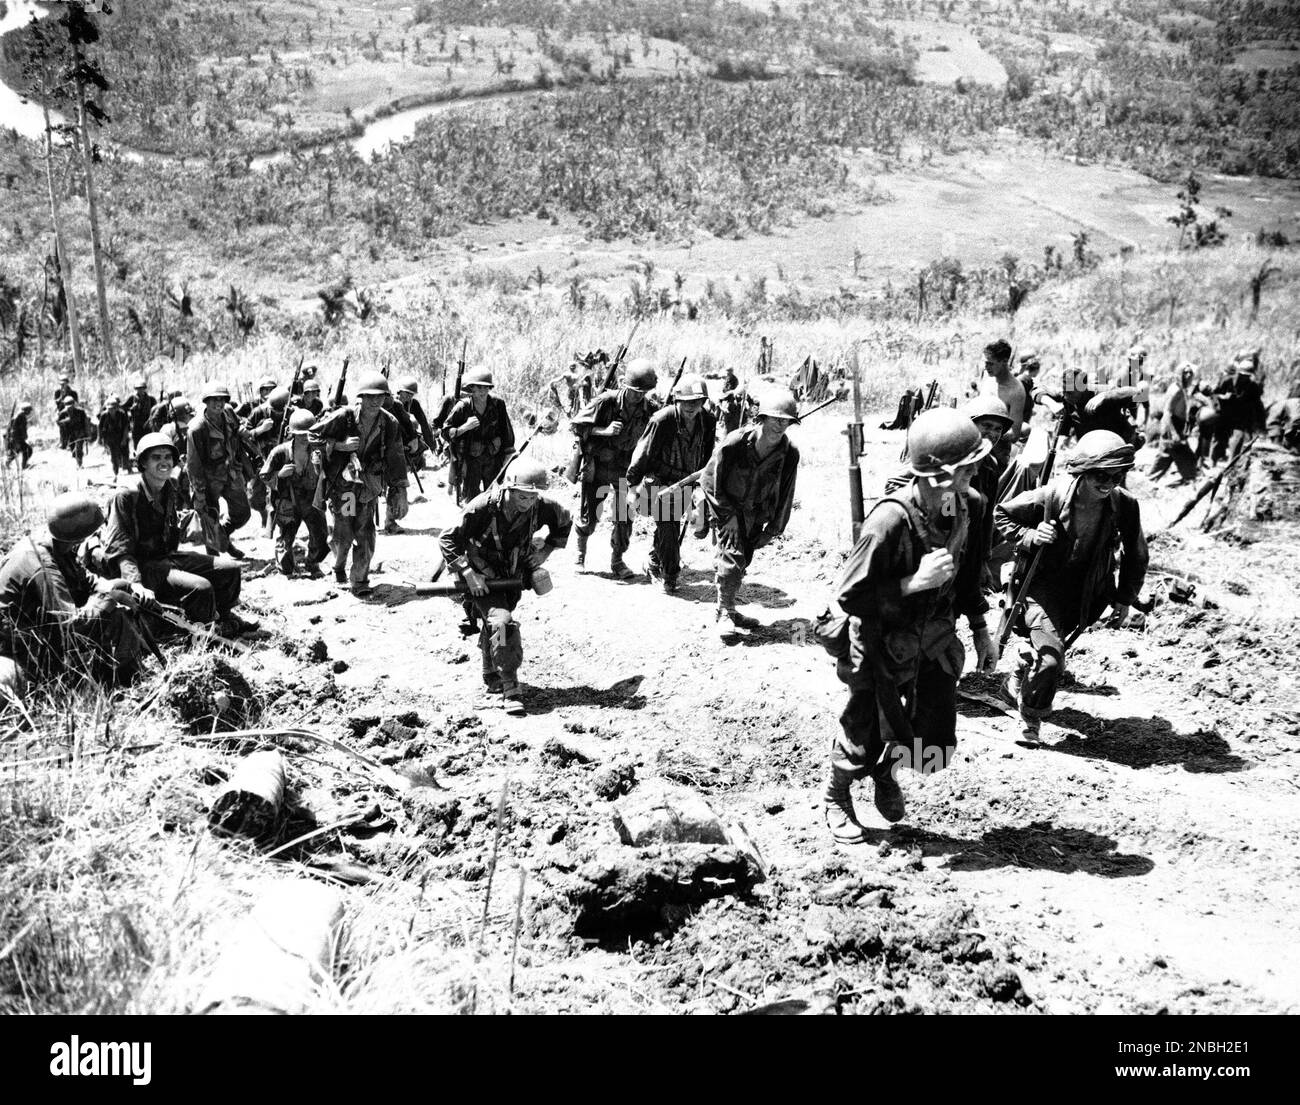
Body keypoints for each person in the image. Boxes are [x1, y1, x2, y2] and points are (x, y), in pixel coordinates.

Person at [822, 408, 997, 843]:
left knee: (934, 747)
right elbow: (849, 596)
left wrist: (980, 631)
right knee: (861, 736)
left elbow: (971, 574)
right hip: (880, 641)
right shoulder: (889, 521)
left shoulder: (969, 505)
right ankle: (836, 796)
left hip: (934, 639)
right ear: (937, 475)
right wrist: (909, 583)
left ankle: (887, 770)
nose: (974, 473)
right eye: (966, 468)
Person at [994, 430, 1148, 742]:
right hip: (1040, 589)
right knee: (1052, 659)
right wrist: (1030, 536)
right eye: (1099, 478)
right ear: (1082, 473)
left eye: (1116, 477)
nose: (1108, 485)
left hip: (1085, 594)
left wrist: (1124, 597)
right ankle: (1031, 719)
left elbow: (1137, 552)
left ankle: (1021, 673)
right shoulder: (1050, 497)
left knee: (1048, 650)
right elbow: (1001, 513)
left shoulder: (1124, 505)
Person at [438, 459, 571, 716]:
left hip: (512, 575)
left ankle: (490, 671)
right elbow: (448, 538)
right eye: (523, 496)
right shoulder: (483, 507)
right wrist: (468, 572)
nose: (528, 502)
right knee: (501, 622)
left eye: (533, 496)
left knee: (496, 620)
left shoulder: (539, 506)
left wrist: (546, 552)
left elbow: (564, 520)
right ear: (508, 489)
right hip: (481, 576)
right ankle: (509, 683)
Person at [100, 433, 256, 637]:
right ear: (143, 463)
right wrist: (135, 584)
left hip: (165, 557)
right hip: (140, 565)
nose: (164, 462)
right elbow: (120, 548)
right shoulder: (126, 496)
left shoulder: (169, 488)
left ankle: (225, 616)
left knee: (230, 569)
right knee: (200, 588)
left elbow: (170, 526)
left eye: (168, 457)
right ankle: (205, 631)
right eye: (156, 457)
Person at [0, 493, 145, 684]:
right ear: (76, 538)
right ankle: (130, 681)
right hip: (19, 643)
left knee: (114, 596)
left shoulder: (53, 541)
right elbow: (72, 623)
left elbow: (83, 578)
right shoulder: (41, 564)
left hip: (36, 626)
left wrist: (116, 586)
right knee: (114, 619)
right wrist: (109, 598)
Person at [701, 387, 800, 639]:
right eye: (775, 419)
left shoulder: (789, 453)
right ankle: (725, 612)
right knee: (731, 558)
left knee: (742, 561)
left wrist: (774, 529)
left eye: (786, 421)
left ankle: (730, 610)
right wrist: (727, 516)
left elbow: (787, 493)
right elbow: (710, 479)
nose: (780, 426)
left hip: (756, 517)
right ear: (762, 418)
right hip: (728, 510)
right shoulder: (735, 442)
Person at [312, 371, 407, 595]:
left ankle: (360, 580)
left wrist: (400, 490)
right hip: (345, 488)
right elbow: (312, 437)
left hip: (369, 486)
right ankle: (338, 566)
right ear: (360, 397)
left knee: (365, 531)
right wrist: (339, 445)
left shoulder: (389, 422)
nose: (375, 401)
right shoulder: (343, 417)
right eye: (370, 397)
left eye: (380, 397)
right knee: (343, 533)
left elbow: (396, 457)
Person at [626, 373, 718, 595]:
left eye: (696, 401)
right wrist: (632, 487)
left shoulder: (708, 420)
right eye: (686, 402)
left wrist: (700, 483)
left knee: (672, 529)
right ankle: (670, 576)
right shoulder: (662, 420)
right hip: (661, 483)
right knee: (668, 527)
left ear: (703, 401)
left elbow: (706, 456)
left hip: (688, 482)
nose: (691, 406)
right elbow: (643, 454)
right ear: (678, 400)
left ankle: (653, 560)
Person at [571, 358, 657, 577]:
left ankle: (617, 560)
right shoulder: (606, 401)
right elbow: (576, 426)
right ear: (623, 385)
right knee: (588, 515)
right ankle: (580, 555)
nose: (638, 396)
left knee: (624, 517)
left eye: (643, 392)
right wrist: (604, 431)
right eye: (634, 391)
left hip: (626, 471)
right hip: (599, 466)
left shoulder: (650, 409)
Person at [186, 382, 255, 558]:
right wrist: (199, 494)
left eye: (221, 400)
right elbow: (194, 465)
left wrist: (245, 432)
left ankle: (222, 537)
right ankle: (215, 559)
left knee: (243, 513)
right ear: (206, 402)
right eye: (214, 400)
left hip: (231, 472)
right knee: (210, 519)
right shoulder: (197, 428)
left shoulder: (229, 413)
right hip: (209, 480)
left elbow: (237, 428)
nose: (218, 404)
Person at [259, 409, 328, 578]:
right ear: (292, 434)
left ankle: (313, 563)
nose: (304, 438)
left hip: (312, 499)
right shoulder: (280, 452)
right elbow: (264, 475)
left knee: (320, 535)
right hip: (288, 500)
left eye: (308, 433)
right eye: (300, 434)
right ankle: (286, 569)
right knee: (285, 538)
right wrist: (279, 475)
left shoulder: (319, 450)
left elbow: (328, 472)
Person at [442, 368, 515, 505]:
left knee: (495, 496)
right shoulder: (463, 406)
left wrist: (508, 454)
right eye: (479, 387)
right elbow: (446, 431)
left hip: (493, 457)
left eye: (486, 387)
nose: (483, 391)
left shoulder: (498, 403)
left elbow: (506, 430)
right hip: (471, 459)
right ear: (472, 388)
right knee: (472, 499)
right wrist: (464, 428)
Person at [1207, 349, 1267, 464]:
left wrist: (1258, 423)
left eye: (1247, 376)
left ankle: (1231, 464)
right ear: (1237, 372)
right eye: (1241, 375)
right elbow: (1214, 394)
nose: (1244, 378)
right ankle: (1212, 462)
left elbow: (1257, 403)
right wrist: (1224, 397)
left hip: (1241, 415)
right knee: (1219, 437)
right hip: (1225, 413)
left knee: (1238, 438)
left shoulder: (1253, 386)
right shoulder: (1227, 380)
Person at [1147, 363, 1200, 483]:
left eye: (1190, 372)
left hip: (1175, 425)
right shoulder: (1176, 390)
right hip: (1172, 425)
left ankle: (1151, 478)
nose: (1188, 375)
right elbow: (1167, 412)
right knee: (1185, 455)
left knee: (1165, 455)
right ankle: (1190, 478)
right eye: (1185, 372)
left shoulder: (1181, 388)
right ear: (1179, 374)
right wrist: (1174, 432)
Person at [980, 339, 1028, 451]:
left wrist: (987, 434)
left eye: (990, 363)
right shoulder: (988, 379)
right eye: (985, 362)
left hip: (997, 451)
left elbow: (1014, 435)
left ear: (1004, 361)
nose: (986, 367)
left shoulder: (1016, 391)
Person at [97, 396, 131, 477]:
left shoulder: (122, 414)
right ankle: (116, 472)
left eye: (113, 408)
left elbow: (126, 427)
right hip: (111, 438)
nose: (111, 410)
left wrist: (124, 439)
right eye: (109, 409)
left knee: (125, 453)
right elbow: (100, 427)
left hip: (121, 436)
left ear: (116, 408)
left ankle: (128, 468)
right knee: (114, 455)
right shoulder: (104, 415)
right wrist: (100, 439)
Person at [57, 395, 94, 469]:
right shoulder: (62, 413)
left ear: (74, 404)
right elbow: (59, 424)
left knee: (78, 448)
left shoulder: (80, 411)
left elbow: (86, 423)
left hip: (79, 433)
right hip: (70, 434)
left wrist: (88, 434)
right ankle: (77, 458)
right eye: (67, 405)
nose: (69, 407)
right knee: (73, 449)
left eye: (71, 405)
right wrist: (66, 421)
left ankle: (79, 464)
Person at [1265, 381, 1300, 451]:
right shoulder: (1295, 403)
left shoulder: (1282, 402)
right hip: (1278, 429)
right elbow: (1295, 421)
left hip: (1275, 426)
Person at [124, 377, 156, 447]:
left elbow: (155, 409)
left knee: (148, 443)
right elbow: (124, 407)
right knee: (137, 443)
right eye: (138, 388)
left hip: (147, 424)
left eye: (142, 388)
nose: (140, 390)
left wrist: (151, 419)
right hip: (136, 424)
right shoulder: (132, 398)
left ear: (144, 388)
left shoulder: (151, 399)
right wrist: (131, 408)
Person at [5, 402, 34, 469]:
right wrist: (24, 436)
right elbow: (21, 428)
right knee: (28, 450)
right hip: (17, 438)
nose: (29, 412)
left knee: (17, 451)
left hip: (14, 438)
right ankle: (24, 465)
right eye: (29, 410)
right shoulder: (21, 416)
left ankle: (8, 462)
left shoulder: (18, 416)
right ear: (26, 410)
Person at [53, 374, 78, 449]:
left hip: (71, 412)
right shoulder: (57, 392)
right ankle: (63, 442)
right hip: (61, 411)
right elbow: (56, 402)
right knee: (61, 424)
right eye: (61, 384)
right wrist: (61, 396)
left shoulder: (73, 393)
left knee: (71, 425)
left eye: (64, 384)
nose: (62, 386)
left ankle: (71, 443)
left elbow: (76, 403)